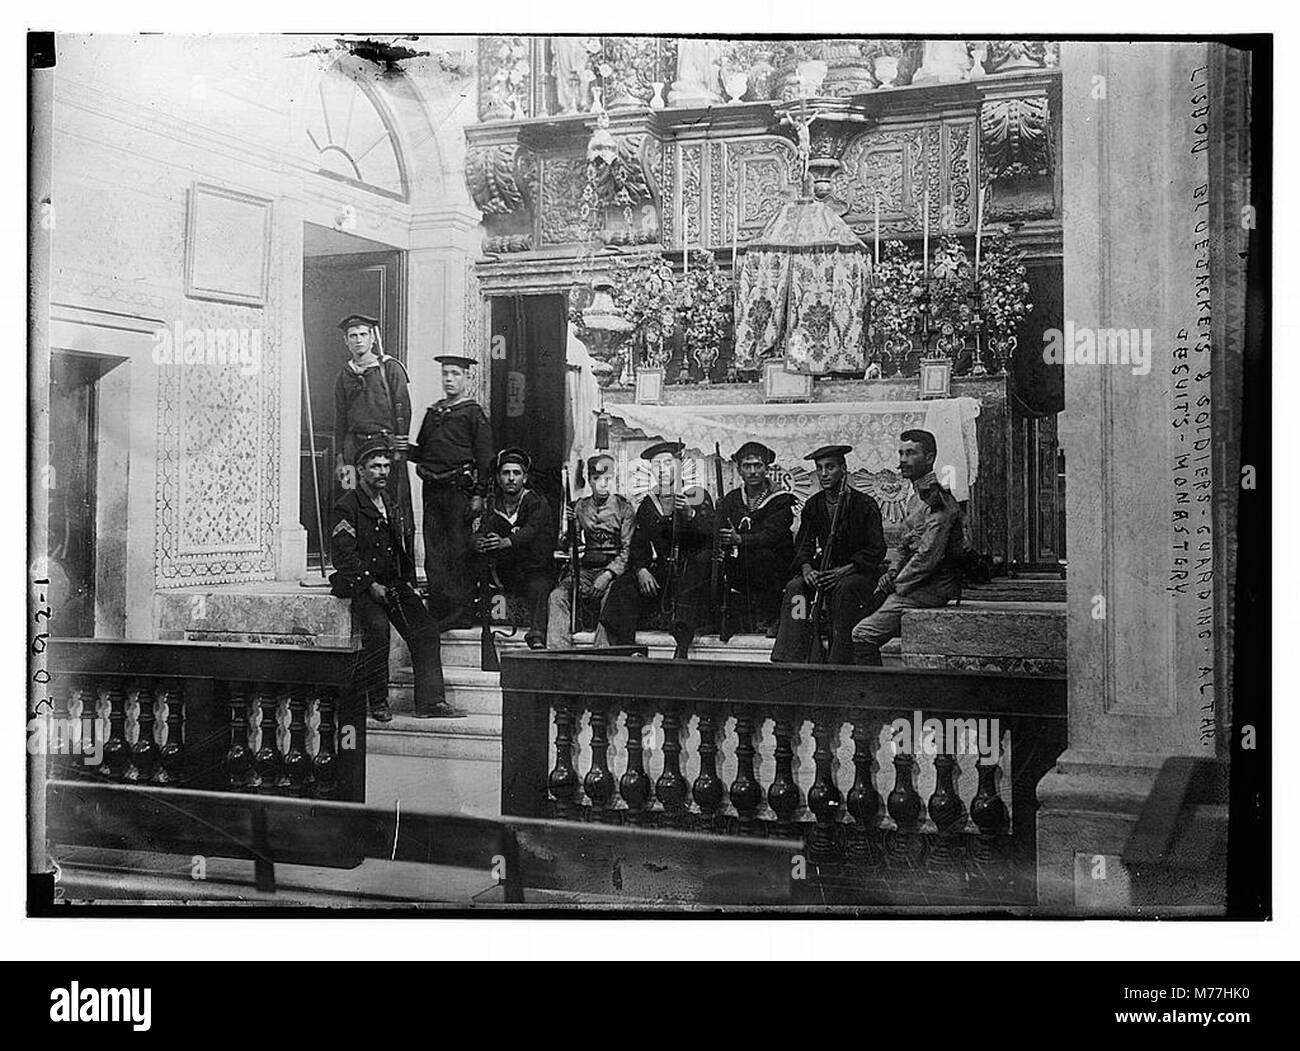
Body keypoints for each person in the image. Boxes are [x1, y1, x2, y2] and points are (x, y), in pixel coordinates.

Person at [329, 440, 461, 723]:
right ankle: (377, 701)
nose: (382, 472)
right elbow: (342, 555)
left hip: (392, 584)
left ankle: (430, 702)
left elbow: (399, 546)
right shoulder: (348, 506)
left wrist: (407, 582)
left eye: (387, 466)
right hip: (362, 585)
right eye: (375, 466)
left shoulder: (390, 502)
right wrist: (369, 584)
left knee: (425, 629)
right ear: (361, 470)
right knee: (377, 631)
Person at [852, 429, 965, 666]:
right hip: (911, 581)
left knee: (862, 633)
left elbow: (928, 557)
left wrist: (896, 583)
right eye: (901, 453)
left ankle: (875, 699)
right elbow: (904, 543)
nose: (903, 460)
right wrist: (892, 571)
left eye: (911, 453)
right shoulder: (916, 497)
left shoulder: (938, 500)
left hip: (931, 586)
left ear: (930, 457)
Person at [770, 444, 887, 665]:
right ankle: (792, 652)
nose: (824, 474)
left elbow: (876, 549)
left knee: (844, 589)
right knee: (797, 589)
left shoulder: (864, 504)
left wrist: (846, 569)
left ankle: (839, 658)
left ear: (843, 468)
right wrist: (807, 569)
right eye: (819, 468)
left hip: (857, 573)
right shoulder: (814, 505)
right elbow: (803, 544)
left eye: (830, 467)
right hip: (824, 571)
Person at [606, 441, 715, 660]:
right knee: (623, 586)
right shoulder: (649, 503)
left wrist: (691, 515)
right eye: (657, 464)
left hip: (692, 572)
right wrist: (641, 570)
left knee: (696, 567)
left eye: (668, 462)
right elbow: (639, 543)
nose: (663, 469)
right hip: (664, 571)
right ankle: (627, 649)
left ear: (678, 464)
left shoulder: (696, 494)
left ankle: (682, 644)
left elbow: (711, 535)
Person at [410, 355, 493, 628]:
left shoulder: (472, 412)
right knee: (434, 551)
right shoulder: (434, 412)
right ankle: (440, 610)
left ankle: (461, 613)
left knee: (459, 549)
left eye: (455, 374)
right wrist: (402, 449)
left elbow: (485, 457)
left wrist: (479, 493)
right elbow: (422, 451)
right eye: (445, 374)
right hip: (432, 489)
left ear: (466, 378)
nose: (449, 379)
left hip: (460, 490)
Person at [331, 313, 413, 553]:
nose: (358, 341)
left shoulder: (390, 368)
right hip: (352, 449)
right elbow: (340, 420)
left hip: (384, 449)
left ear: (372, 339)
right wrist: (340, 459)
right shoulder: (343, 375)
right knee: (349, 498)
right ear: (346, 341)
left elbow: (404, 408)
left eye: (363, 335)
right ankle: (354, 564)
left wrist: (398, 449)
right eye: (352, 336)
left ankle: (395, 566)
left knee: (390, 505)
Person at [546, 454, 635, 649]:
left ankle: (601, 652)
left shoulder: (624, 508)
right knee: (557, 596)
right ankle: (558, 653)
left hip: (612, 570)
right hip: (585, 569)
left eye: (607, 478)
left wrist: (609, 574)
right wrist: (569, 526)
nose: (602, 484)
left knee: (612, 600)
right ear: (589, 480)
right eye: (596, 479)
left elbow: (628, 549)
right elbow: (572, 544)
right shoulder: (580, 506)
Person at [473, 448, 554, 650]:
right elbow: (477, 531)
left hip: (532, 571)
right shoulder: (491, 505)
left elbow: (531, 530)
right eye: (506, 473)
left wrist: (505, 542)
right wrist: (478, 541)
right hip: (503, 575)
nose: (511, 478)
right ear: (499, 478)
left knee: (539, 586)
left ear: (524, 478)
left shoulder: (537, 502)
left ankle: (536, 636)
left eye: (516, 473)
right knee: (490, 596)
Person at [715, 441, 796, 635]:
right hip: (740, 564)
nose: (753, 471)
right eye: (747, 466)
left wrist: (740, 540)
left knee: (763, 557)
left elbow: (772, 535)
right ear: (739, 471)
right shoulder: (732, 499)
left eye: (758, 466)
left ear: (766, 469)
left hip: (774, 565)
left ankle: (771, 618)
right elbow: (720, 528)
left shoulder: (781, 500)